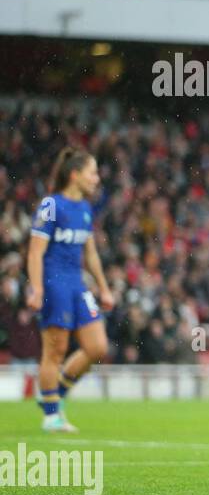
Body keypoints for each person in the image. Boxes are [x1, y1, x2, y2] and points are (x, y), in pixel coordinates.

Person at [26, 148, 114, 433]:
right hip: (54, 282)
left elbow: (90, 254)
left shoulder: (85, 209)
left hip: (77, 284)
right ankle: (51, 415)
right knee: (56, 349)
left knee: (97, 347)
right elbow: (35, 252)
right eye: (92, 172)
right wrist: (37, 288)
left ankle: (54, 393)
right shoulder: (51, 205)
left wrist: (103, 287)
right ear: (75, 175)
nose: (96, 178)